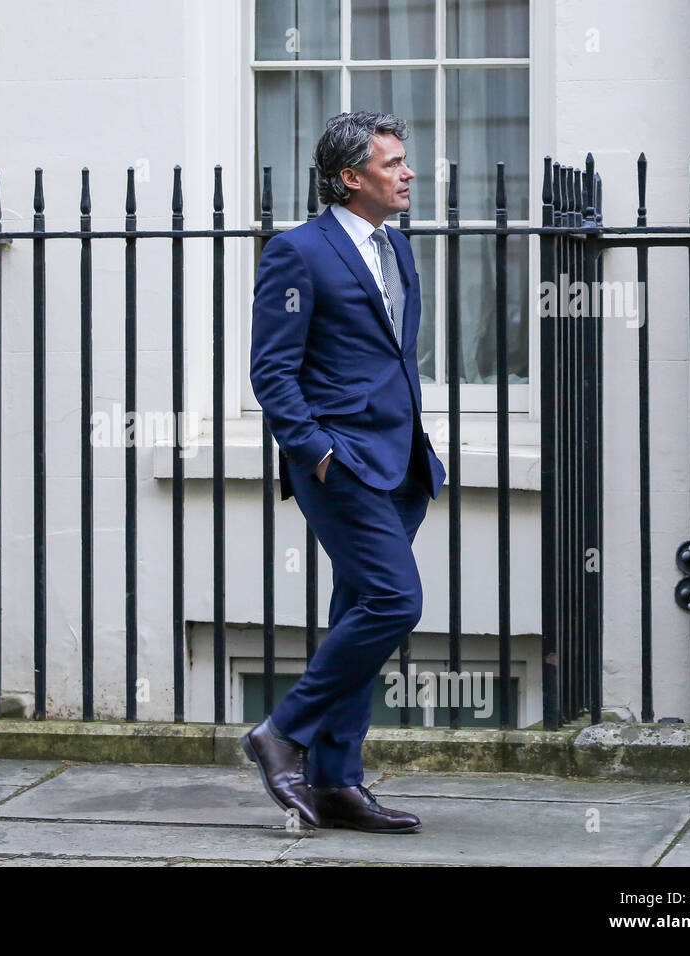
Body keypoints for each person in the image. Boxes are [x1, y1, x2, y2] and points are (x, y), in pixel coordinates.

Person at [244, 111, 446, 831]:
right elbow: (272, 370)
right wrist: (316, 453)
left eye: (404, 160)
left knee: (360, 610)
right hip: (342, 463)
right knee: (395, 600)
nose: (408, 172)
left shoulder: (398, 249)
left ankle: (335, 781)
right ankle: (281, 734)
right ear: (350, 177)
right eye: (392, 163)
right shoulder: (297, 252)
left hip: (402, 462)